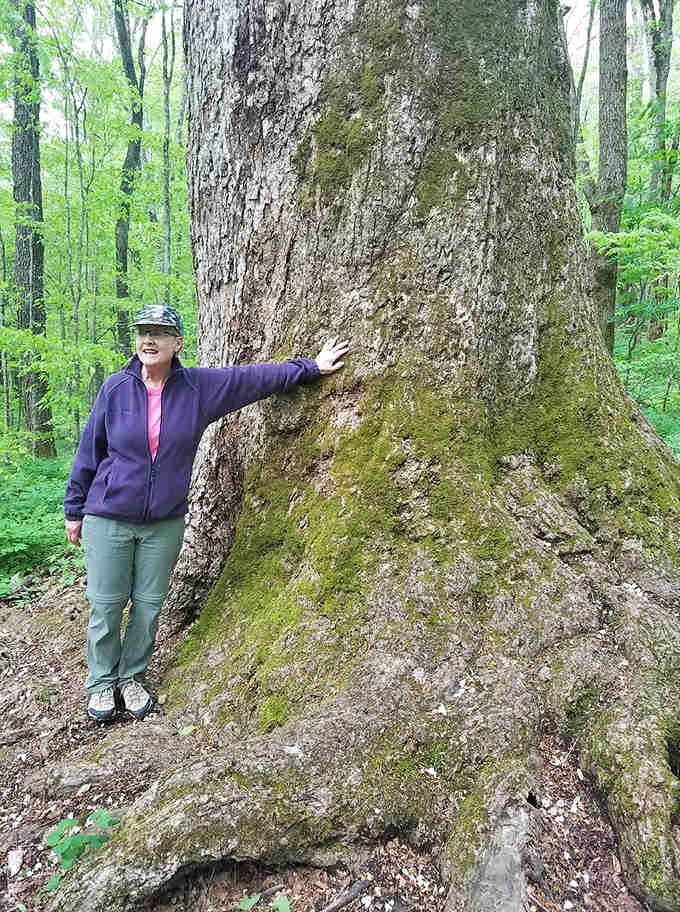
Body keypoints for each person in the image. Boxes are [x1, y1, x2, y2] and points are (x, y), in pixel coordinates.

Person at [64, 304, 349, 723]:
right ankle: (102, 683)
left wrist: (309, 367)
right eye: (144, 331)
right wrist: (75, 510)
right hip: (109, 518)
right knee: (107, 605)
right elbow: (89, 451)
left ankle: (131, 678)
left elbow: (252, 379)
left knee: (148, 604)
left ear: (177, 342)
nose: (149, 339)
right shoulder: (115, 389)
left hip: (164, 523)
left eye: (160, 332)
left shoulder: (197, 388)